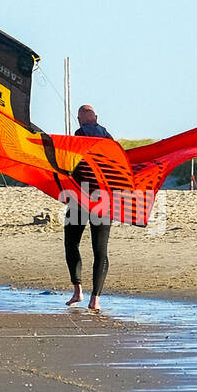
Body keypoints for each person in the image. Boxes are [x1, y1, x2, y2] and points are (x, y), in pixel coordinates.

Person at [65, 104, 113, 314]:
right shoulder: (110, 139)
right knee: (100, 251)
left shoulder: (79, 134)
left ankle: (78, 291)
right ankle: (96, 300)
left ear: (79, 121)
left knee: (71, 242)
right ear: (97, 118)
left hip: (81, 196)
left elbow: (73, 165)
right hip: (103, 198)